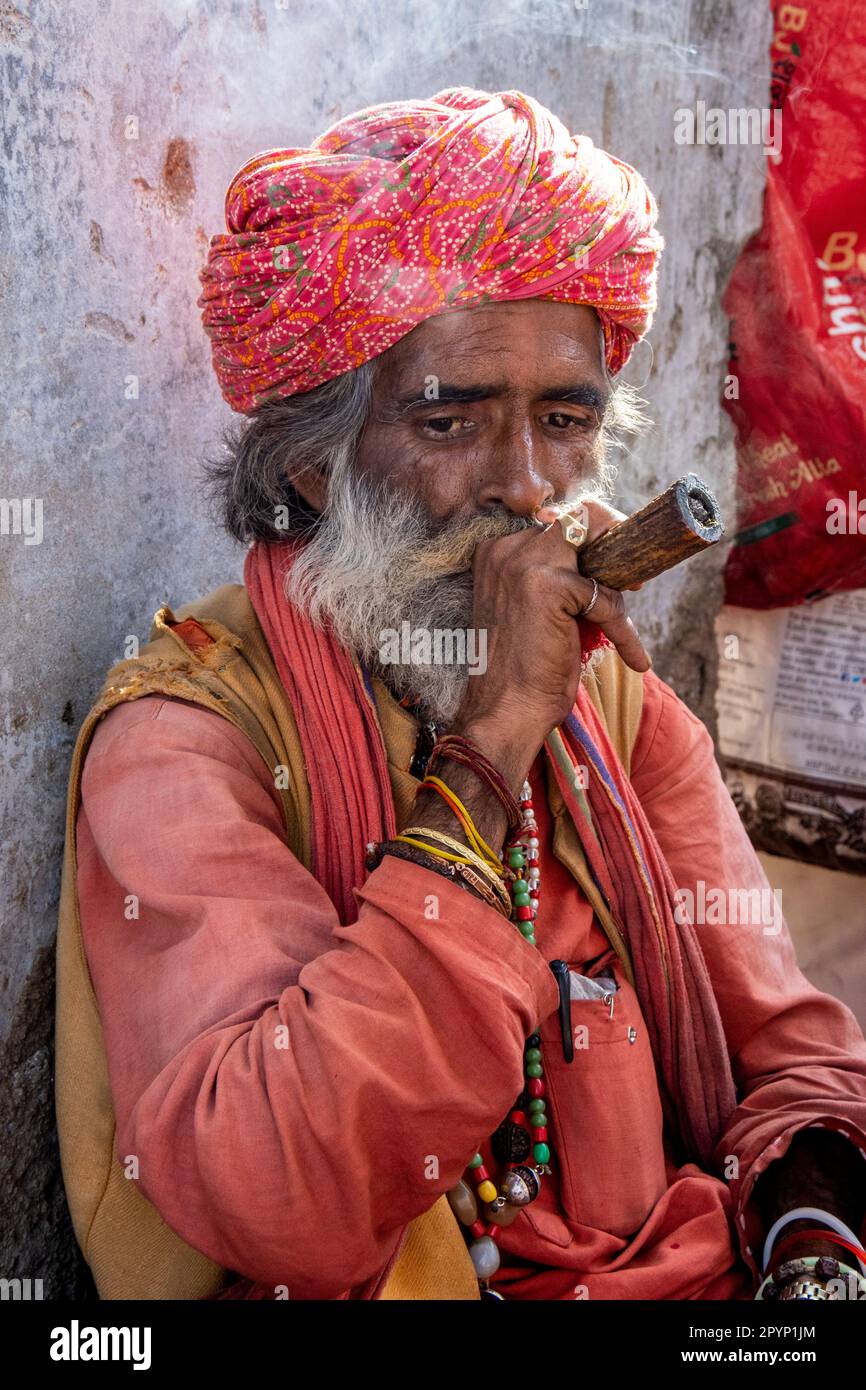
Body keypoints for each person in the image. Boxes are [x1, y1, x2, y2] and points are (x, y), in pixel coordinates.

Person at [55, 87, 866, 1302]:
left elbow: (794, 1057)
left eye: (563, 419)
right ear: (311, 464)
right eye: (450, 420)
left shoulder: (620, 712)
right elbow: (283, 1179)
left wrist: (810, 1242)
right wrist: (491, 744)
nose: (527, 488)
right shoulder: (186, 738)